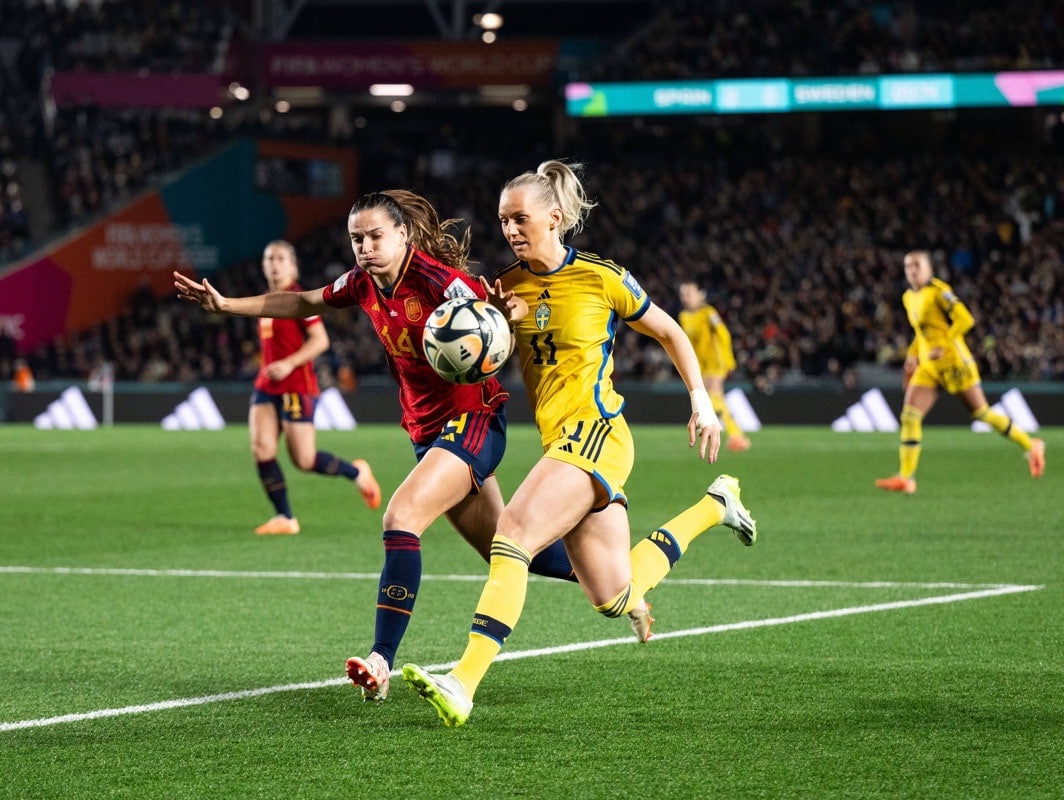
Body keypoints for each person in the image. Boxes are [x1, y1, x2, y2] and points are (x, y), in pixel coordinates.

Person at [174, 190, 633, 704]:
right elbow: (303, 302)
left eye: (374, 236)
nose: (365, 247)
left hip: (473, 422)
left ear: (403, 235)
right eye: (356, 239)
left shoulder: (440, 282)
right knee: (510, 551)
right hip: (426, 433)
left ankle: (379, 660)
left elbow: (494, 323)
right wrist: (225, 304)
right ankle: (624, 582)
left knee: (400, 516)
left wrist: (503, 314)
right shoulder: (362, 284)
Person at [401, 160, 757, 727]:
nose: (511, 230)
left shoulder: (601, 277)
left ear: (556, 217)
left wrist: (701, 400)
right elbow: (478, 363)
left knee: (512, 536)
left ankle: (462, 682)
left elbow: (668, 330)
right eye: (503, 221)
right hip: (560, 443)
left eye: (521, 219)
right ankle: (715, 506)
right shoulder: (505, 288)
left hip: (597, 432)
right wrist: (496, 321)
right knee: (613, 597)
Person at [875, 249, 1045, 494]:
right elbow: (922, 333)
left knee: (982, 413)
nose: (912, 270)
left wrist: (943, 345)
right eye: (908, 266)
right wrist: (912, 356)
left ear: (928, 269)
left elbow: (966, 319)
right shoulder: (908, 297)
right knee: (910, 416)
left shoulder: (939, 291)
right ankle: (906, 477)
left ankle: (1031, 444)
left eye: (917, 265)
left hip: (955, 363)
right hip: (929, 366)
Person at [248, 240, 381, 535]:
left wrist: (289, 363)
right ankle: (285, 517)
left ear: (293, 265)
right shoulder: (264, 300)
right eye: (269, 258)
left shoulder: (298, 299)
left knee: (304, 460)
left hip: (296, 385)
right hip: (266, 386)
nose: (274, 263)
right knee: (262, 449)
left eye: (281, 258)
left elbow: (320, 340)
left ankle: (357, 472)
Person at [678, 280, 751, 452]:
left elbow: (723, 334)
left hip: (715, 362)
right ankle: (733, 434)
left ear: (698, 295)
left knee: (714, 395)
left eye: (689, 293)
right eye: (683, 294)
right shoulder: (683, 317)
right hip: (700, 365)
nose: (686, 297)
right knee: (713, 399)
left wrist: (727, 360)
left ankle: (736, 435)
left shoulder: (708, 313)